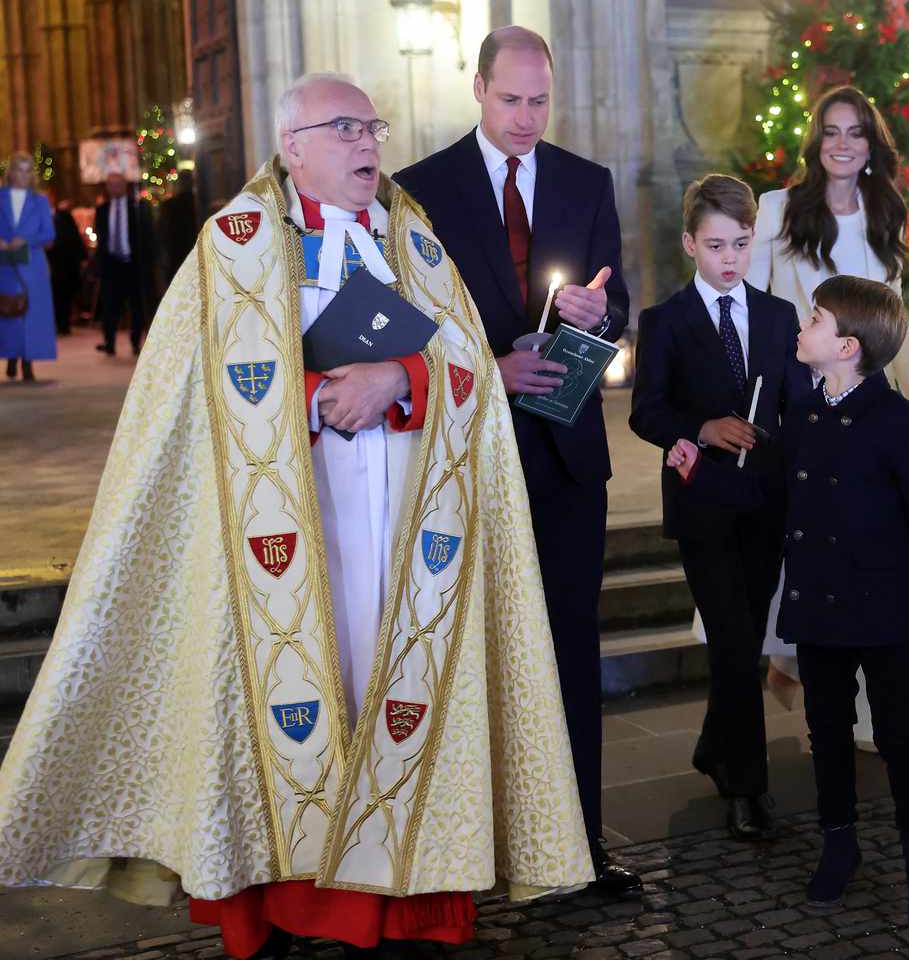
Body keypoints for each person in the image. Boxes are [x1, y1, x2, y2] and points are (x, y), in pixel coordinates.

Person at [0, 73, 594, 960]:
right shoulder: (232, 247)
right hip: (285, 532)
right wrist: (319, 394)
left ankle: (400, 904)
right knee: (296, 708)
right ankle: (280, 904)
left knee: (388, 695)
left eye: (374, 127)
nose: (368, 144)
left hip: (407, 530)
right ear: (293, 146)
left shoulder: (415, 240)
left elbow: (471, 369)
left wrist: (399, 381)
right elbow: (190, 394)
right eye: (345, 128)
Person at [393, 26, 637, 895]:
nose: (528, 116)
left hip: (568, 457)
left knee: (573, 649)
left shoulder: (586, 182)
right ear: (478, 87)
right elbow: (399, 327)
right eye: (511, 100)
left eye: (541, 100)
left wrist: (592, 315)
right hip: (462, 458)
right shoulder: (418, 191)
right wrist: (487, 370)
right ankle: (464, 851)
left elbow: (619, 307)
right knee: (464, 656)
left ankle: (580, 845)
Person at [666, 276, 909, 933]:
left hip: (883, 606)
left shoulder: (896, 423)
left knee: (899, 734)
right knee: (826, 732)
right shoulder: (800, 414)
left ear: (847, 347)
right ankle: (840, 842)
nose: (802, 327)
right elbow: (771, 497)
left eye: (815, 320)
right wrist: (700, 473)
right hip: (817, 604)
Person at [746, 84, 909, 738]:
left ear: (870, 145)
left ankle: (852, 716)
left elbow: (895, 322)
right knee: (804, 548)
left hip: (866, 405)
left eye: (855, 132)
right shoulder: (775, 212)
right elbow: (753, 312)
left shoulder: (885, 217)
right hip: (798, 404)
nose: (842, 144)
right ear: (815, 140)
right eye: (831, 131)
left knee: (863, 547)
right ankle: (794, 668)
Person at [628, 174, 806, 841]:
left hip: (763, 501)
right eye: (714, 245)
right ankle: (747, 788)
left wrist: (783, 436)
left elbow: (792, 403)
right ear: (688, 244)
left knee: (742, 643)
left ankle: (713, 746)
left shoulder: (778, 316)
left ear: (753, 239)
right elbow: (647, 412)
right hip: (702, 503)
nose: (728, 258)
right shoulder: (664, 321)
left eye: (739, 243)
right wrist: (702, 428)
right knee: (732, 642)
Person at [0, 153, 56, 382]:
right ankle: (12, 355)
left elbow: (49, 234)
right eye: (19, 170)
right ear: (11, 172)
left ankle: (28, 362)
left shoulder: (40, 200)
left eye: (27, 170)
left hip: (33, 264)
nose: (23, 175)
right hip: (5, 264)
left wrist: (26, 240)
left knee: (32, 314)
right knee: (9, 311)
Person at [92, 170, 155, 357]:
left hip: (133, 263)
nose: (115, 188)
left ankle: (136, 342)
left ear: (125, 186)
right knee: (110, 305)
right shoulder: (102, 209)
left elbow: (147, 235)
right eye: (111, 185)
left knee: (136, 305)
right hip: (111, 264)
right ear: (107, 187)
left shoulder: (138, 207)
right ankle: (109, 342)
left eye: (118, 184)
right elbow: (101, 237)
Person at [47, 199, 85, 335]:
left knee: (61, 298)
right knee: (62, 298)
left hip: (61, 267)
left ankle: (62, 325)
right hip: (62, 267)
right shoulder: (63, 220)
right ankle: (62, 325)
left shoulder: (59, 219)